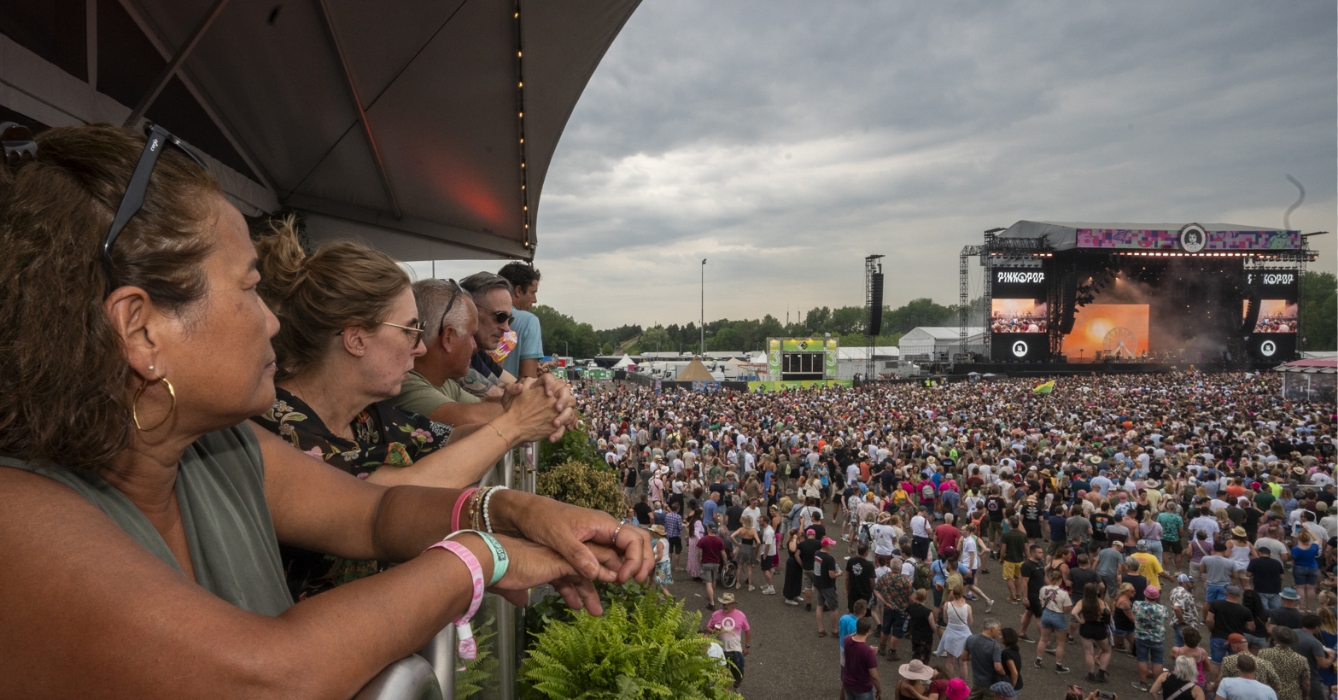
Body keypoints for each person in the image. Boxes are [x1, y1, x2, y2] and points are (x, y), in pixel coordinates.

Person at [0, 123, 652, 697]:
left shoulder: (223, 449)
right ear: (141, 331)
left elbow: (371, 514)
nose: (270, 320)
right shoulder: (18, 521)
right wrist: (483, 558)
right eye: (249, 289)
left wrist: (515, 511)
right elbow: (273, 676)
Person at [393, 278, 505, 426]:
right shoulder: (405, 383)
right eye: (471, 335)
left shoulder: (440, 380)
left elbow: (481, 404)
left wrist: (514, 397)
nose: (474, 345)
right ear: (447, 338)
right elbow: (471, 419)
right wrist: (529, 402)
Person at [494, 262, 543, 379]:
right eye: (533, 292)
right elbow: (528, 380)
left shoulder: (482, 315)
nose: (535, 300)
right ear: (518, 291)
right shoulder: (530, 321)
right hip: (510, 390)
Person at [1205, 585, 1257, 677]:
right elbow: (1252, 627)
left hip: (1218, 636)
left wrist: (1211, 630)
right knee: (1236, 663)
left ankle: (1213, 683)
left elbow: (1209, 620)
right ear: (1238, 596)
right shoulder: (1245, 610)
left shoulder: (1216, 604)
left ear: (1226, 593)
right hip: (1236, 640)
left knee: (1216, 663)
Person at [707, 593, 750, 689]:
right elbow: (708, 627)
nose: (725, 606)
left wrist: (747, 646)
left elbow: (747, 631)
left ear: (732, 604)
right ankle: (725, 691)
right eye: (723, 604)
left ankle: (736, 684)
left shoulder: (740, 615)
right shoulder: (716, 615)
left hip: (735, 651)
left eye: (727, 604)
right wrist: (713, 631)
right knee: (722, 676)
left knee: (739, 674)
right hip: (720, 651)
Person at [1257, 626, 1312, 700]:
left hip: (1270, 695)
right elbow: (1306, 684)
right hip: (1292, 696)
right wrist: (1304, 696)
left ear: (1275, 640)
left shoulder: (1263, 654)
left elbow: (1258, 674)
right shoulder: (1301, 659)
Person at [1036, 568, 1074, 674]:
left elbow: (1041, 601)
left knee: (1043, 639)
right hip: (1058, 616)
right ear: (1060, 580)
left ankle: (1038, 660)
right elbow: (1067, 610)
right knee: (1060, 643)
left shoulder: (1043, 589)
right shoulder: (1064, 593)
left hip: (1046, 614)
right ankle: (1058, 666)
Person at [1133, 586, 1169, 691]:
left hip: (1141, 636)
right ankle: (1157, 686)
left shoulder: (1137, 604)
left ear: (1145, 594)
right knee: (1158, 661)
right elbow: (1165, 617)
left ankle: (1142, 683)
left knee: (1142, 659)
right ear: (1157, 596)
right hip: (1157, 638)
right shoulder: (1162, 609)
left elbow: (1134, 613)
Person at [1075, 582, 1112, 683]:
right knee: (1106, 650)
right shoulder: (1102, 603)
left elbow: (1074, 612)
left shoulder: (1082, 602)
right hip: (1099, 628)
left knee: (1088, 652)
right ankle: (1101, 673)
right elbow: (1110, 618)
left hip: (1086, 627)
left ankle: (1090, 675)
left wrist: (1080, 621)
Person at [961, 618, 1007, 700]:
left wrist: (976, 655)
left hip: (976, 682)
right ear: (992, 629)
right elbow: (998, 668)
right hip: (991, 684)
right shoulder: (994, 646)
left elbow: (964, 657)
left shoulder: (971, 639)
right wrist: (1004, 674)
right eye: (998, 629)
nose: (999, 632)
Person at [938, 585, 974, 679]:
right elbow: (970, 622)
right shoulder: (967, 607)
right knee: (962, 663)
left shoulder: (947, 605)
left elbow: (945, 620)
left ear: (953, 593)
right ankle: (962, 684)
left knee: (950, 661)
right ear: (962, 593)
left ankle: (948, 681)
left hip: (951, 633)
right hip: (964, 635)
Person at [844, 616, 883, 700]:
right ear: (869, 631)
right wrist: (879, 690)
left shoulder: (846, 640)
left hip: (848, 684)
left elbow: (852, 637)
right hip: (862, 688)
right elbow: (874, 676)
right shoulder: (867, 651)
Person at [816, 537, 844, 636]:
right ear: (827, 546)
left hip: (819, 583)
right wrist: (839, 574)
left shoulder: (817, 553)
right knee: (834, 607)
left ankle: (820, 629)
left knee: (820, 605)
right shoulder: (829, 558)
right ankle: (834, 630)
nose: (832, 546)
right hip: (828, 585)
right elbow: (831, 575)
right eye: (831, 544)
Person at [1019, 544, 1047, 642]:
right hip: (1033, 595)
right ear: (1032, 553)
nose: (1042, 554)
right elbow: (1024, 583)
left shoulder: (1040, 563)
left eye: (1042, 552)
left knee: (1028, 612)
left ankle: (1021, 633)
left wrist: (1054, 587)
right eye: (1039, 553)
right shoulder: (1027, 565)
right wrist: (1025, 598)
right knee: (1040, 617)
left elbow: (1045, 577)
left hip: (1040, 593)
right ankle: (1045, 642)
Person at [1288, 530, 1319, 612]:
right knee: (1311, 588)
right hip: (1313, 567)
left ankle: (1301, 606)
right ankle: (1308, 607)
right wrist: (1309, 531)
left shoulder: (1295, 549)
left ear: (1299, 539)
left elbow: (1292, 557)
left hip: (1299, 568)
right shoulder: (1314, 547)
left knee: (1300, 587)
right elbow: (1317, 539)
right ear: (1309, 538)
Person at [729, 515, 760, 591]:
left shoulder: (741, 529)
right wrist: (755, 546)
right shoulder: (753, 531)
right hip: (749, 549)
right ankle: (750, 585)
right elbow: (759, 542)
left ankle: (738, 583)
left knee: (739, 567)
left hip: (742, 548)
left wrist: (737, 543)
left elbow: (732, 536)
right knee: (749, 568)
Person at [906, 589, 937, 663]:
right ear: (926, 598)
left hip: (915, 634)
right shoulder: (927, 612)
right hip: (925, 637)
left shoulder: (911, 607)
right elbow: (933, 626)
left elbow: (909, 617)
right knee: (924, 656)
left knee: (915, 653)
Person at [698, 527, 726, 609]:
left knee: (708, 583)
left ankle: (712, 603)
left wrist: (699, 560)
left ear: (708, 530)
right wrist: (726, 563)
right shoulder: (719, 540)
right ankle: (712, 595)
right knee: (714, 580)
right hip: (716, 563)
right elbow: (723, 553)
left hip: (706, 563)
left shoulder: (703, 539)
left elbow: (699, 552)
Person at [1170, 573, 1200, 646]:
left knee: (1179, 648)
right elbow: (1176, 608)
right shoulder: (1184, 594)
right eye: (1191, 583)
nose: (1194, 585)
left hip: (1178, 624)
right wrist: (1181, 619)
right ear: (1184, 583)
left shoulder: (1174, 590)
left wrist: (1193, 608)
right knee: (1193, 647)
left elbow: (1180, 605)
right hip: (1186, 625)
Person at [848, 542, 877, 615]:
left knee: (853, 611)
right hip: (865, 593)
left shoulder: (850, 561)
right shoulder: (869, 565)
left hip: (853, 591)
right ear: (866, 552)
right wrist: (874, 592)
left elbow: (847, 577)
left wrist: (847, 589)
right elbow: (872, 581)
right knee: (863, 613)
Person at [650, 524, 673, 596]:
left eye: (653, 532)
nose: (652, 533)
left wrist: (653, 561)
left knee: (661, 587)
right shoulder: (665, 540)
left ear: (657, 533)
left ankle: (672, 600)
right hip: (666, 563)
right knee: (664, 585)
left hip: (661, 565)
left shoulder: (659, 542)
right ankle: (661, 600)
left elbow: (660, 556)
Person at [999, 628, 1024, 692]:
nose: (1000, 637)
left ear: (1006, 638)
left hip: (1011, 685)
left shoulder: (1006, 653)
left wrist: (1011, 688)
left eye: (1002, 635)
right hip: (1018, 683)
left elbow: (1014, 672)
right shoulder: (1015, 651)